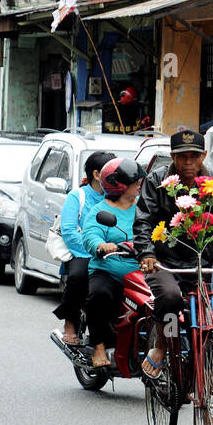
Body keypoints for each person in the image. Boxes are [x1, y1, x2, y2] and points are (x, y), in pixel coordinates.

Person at [133, 128, 213, 379]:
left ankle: (206, 391)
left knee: (206, 326)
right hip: (164, 265)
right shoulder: (157, 181)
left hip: (200, 265)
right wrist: (147, 255)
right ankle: (162, 345)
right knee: (171, 298)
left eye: (194, 157)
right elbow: (143, 222)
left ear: (204, 156)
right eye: (182, 156)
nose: (189, 162)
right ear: (173, 156)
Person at [83, 158, 146, 369]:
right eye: (134, 180)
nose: (139, 183)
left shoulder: (144, 208)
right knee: (99, 295)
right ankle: (98, 344)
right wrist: (102, 245)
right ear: (118, 184)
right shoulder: (100, 210)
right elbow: (91, 235)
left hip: (142, 272)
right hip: (108, 272)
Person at [52, 151, 115, 344]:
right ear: (97, 174)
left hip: (114, 253)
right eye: (112, 173)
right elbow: (70, 231)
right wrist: (95, 249)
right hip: (83, 252)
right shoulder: (77, 196)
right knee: (79, 276)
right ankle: (70, 321)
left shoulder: (117, 197)